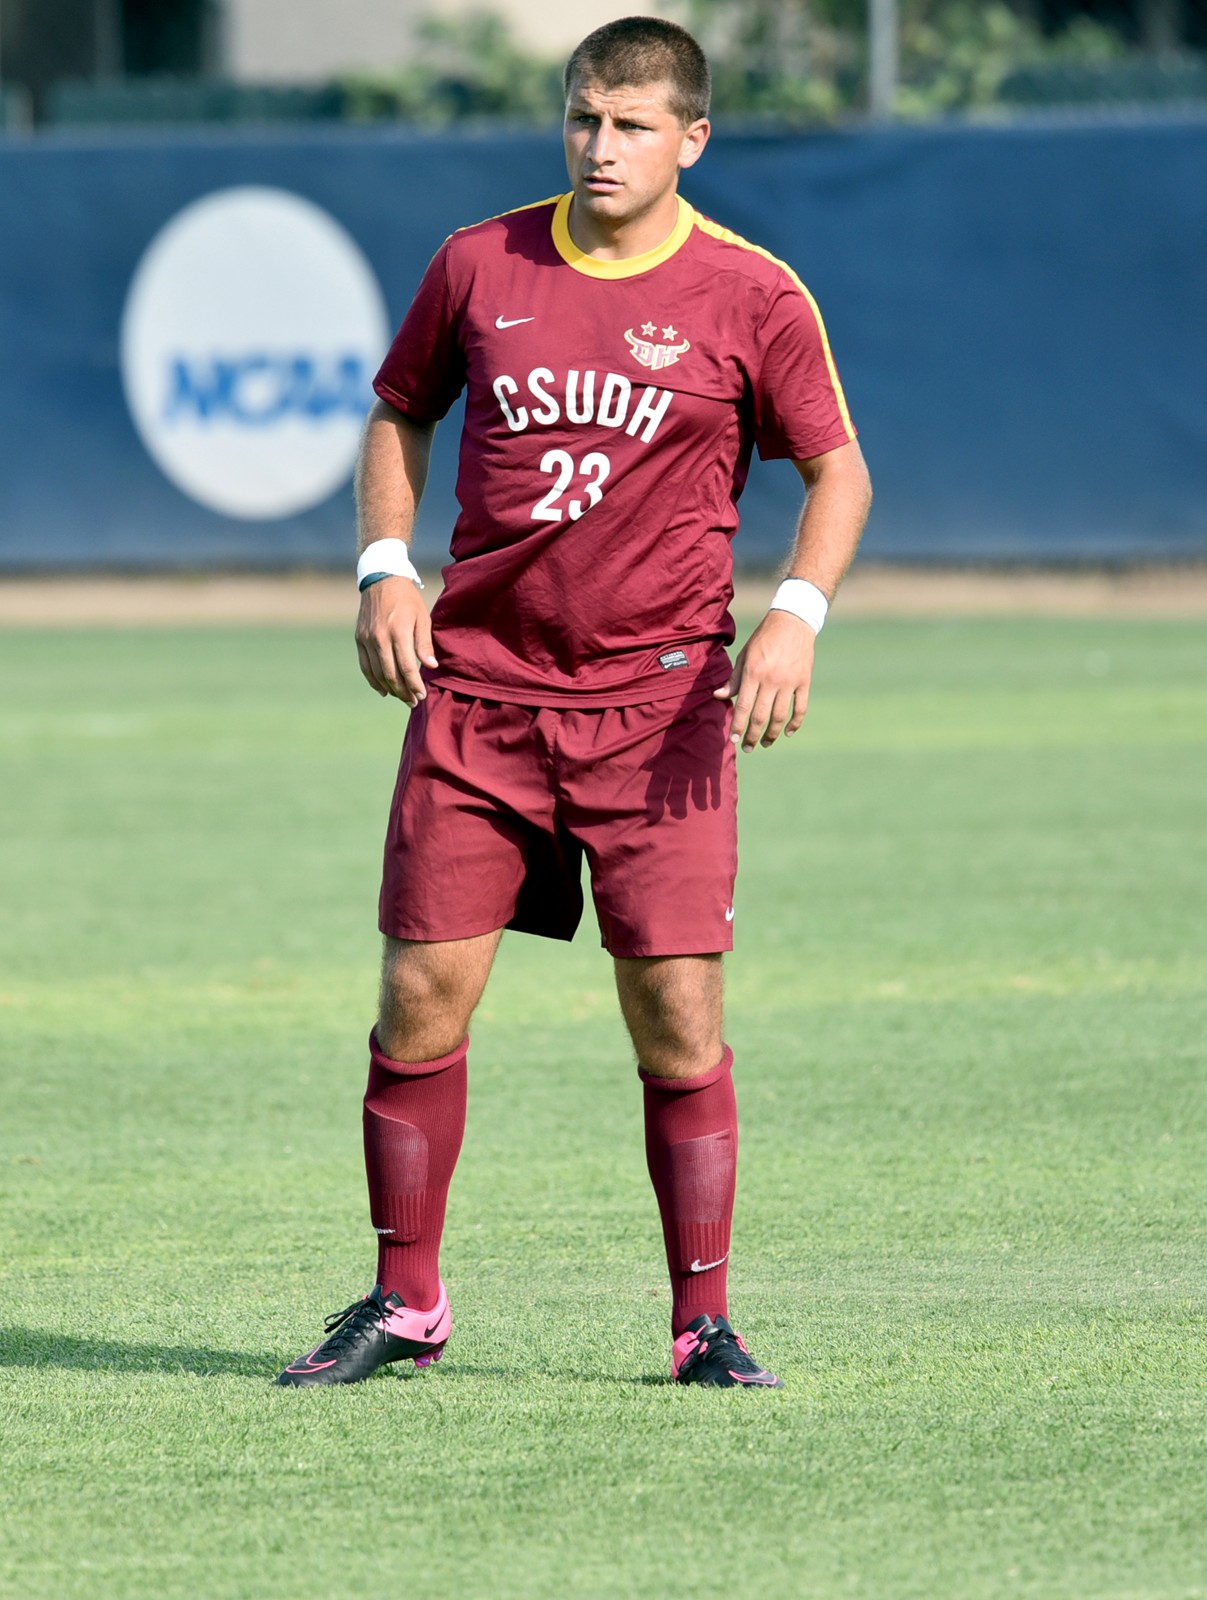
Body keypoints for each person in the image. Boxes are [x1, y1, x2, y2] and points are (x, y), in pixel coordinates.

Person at [278, 14, 871, 1390]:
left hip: (659, 713)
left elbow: (837, 472)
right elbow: (397, 409)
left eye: (633, 125)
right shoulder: (479, 263)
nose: (601, 147)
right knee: (422, 991)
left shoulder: (753, 294)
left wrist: (795, 615)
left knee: (676, 1015)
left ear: (692, 139)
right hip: (479, 694)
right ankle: (406, 1302)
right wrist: (384, 567)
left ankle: (702, 1323)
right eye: (585, 119)